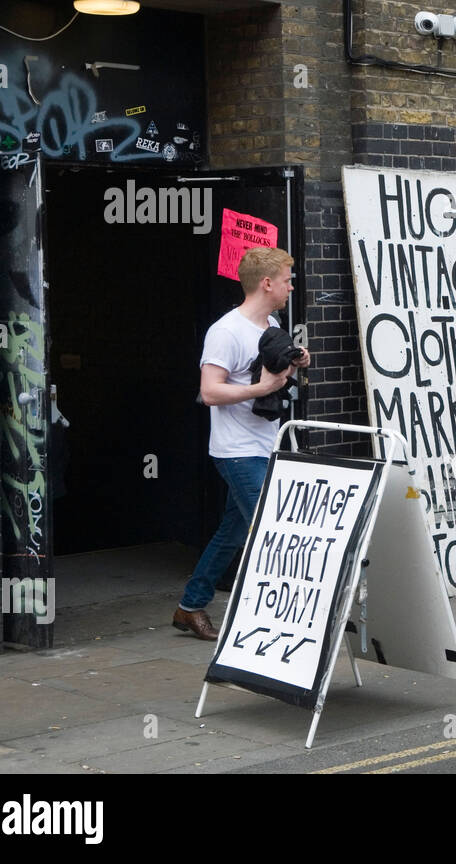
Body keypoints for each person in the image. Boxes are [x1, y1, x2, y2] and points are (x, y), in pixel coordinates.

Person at [172, 247, 310, 640]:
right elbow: (210, 392)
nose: (290, 286)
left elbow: (272, 363)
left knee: (233, 530)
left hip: (266, 443)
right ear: (267, 283)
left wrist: (296, 359)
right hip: (237, 450)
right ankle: (281, 620)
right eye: (286, 279)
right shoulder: (226, 331)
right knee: (269, 531)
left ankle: (190, 606)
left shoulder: (271, 322)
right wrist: (262, 387)